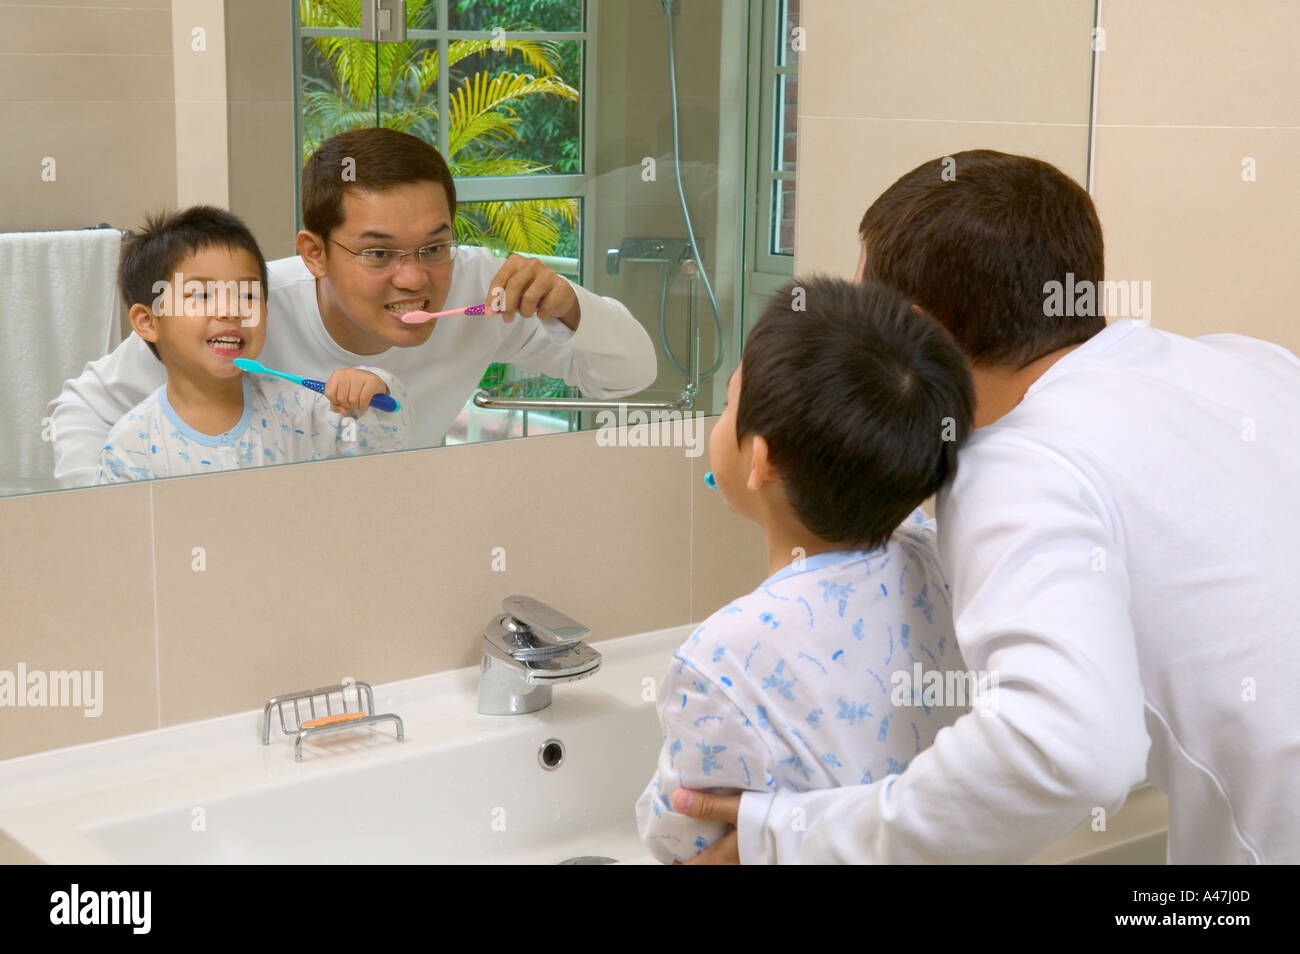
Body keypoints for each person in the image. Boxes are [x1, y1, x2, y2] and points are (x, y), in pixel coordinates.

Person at [672, 149, 1300, 864]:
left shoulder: (1015, 465)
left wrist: (797, 837)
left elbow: (1073, 751)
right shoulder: (1249, 365)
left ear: (915, 334)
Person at [49, 127, 657, 487]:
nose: (414, 277)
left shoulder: (484, 293)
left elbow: (630, 375)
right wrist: (114, 525)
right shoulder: (247, 314)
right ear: (314, 254)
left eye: (434, 246)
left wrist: (570, 305)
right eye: (378, 254)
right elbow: (83, 408)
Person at [636, 276, 977, 863]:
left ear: (760, 460)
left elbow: (684, 841)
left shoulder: (721, 660)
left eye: (728, 402)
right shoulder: (938, 552)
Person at [96, 206, 408, 483]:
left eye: (247, 295)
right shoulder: (130, 447)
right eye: (202, 295)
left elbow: (381, 466)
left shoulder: (302, 410)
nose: (231, 310)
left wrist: (375, 389)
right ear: (148, 322)